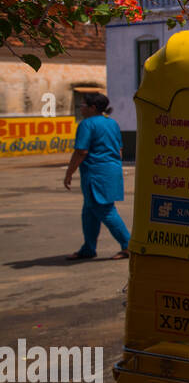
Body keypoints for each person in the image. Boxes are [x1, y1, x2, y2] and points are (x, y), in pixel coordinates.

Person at [63, 92, 130, 260]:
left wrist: (69, 172)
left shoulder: (87, 125)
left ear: (92, 108)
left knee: (105, 211)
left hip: (96, 173)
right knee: (89, 212)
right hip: (110, 171)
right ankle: (88, 248)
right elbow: (119, 149)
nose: (81, 108)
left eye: (83, 105)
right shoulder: (112, 123)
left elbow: (81, 152)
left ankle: (129, 245)